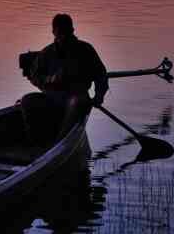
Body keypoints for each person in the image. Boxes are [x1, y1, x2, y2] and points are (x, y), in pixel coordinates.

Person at [20, 13, 108, 144]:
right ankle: (36, 141)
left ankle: (59, 141)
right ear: (53, 33)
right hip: (53, 99)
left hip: (77, 97)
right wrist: (49, 80)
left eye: (66, 33)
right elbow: (35, 76)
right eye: (60, 33)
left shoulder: (85, 50)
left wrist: (98, 96)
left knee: (76, 103)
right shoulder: (47, 53)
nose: (63, 37)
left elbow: (101, 75)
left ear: (72, 30)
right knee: (27, 100)